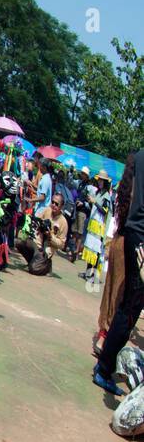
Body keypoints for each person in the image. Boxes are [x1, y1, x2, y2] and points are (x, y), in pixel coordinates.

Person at [93, 150, 144, 396]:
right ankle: (103, 368)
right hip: (141, 239)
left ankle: (104, 365)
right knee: (129, 309)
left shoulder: (140, 156)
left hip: (131, 235)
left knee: (127, 306)